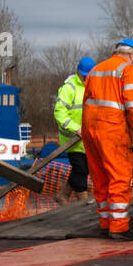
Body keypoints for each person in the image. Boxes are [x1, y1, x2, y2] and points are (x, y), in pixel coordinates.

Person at [83, 38, 133, 239]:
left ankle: (105, 223)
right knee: (119, 176)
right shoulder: (128, 70)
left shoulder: (95, 70)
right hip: (112, 129)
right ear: (132, 55)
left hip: (89, 129)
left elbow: (86, 101)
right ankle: (118, 227)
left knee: (100, 176)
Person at [53, 56, 94, 204]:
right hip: (72, 140)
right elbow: (59, 112)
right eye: (84, 75)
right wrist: (76, 129)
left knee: (84, 168)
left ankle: (63, 195)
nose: (85, 78)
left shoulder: (93, 86)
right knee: (81, 170)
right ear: (78, 72)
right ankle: (83, 203)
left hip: (87, 139)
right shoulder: (68, 88)